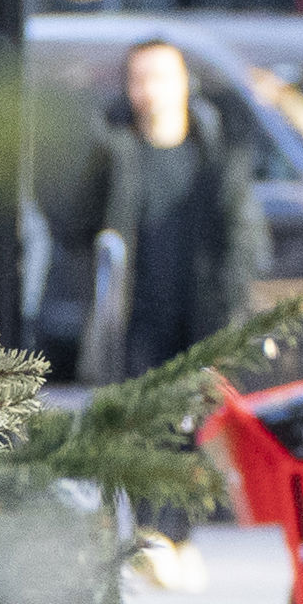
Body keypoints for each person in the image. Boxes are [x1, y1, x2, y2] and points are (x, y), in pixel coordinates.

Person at [69, 36, 264, 384]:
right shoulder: (115, 153)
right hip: (134, 333)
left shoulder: (215, 157)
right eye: (139, 79)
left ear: (185, 83)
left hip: (200, 325)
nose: (150, 89)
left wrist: (232, 318)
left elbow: (244, 244)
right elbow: (78, 230)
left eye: (160, 77)